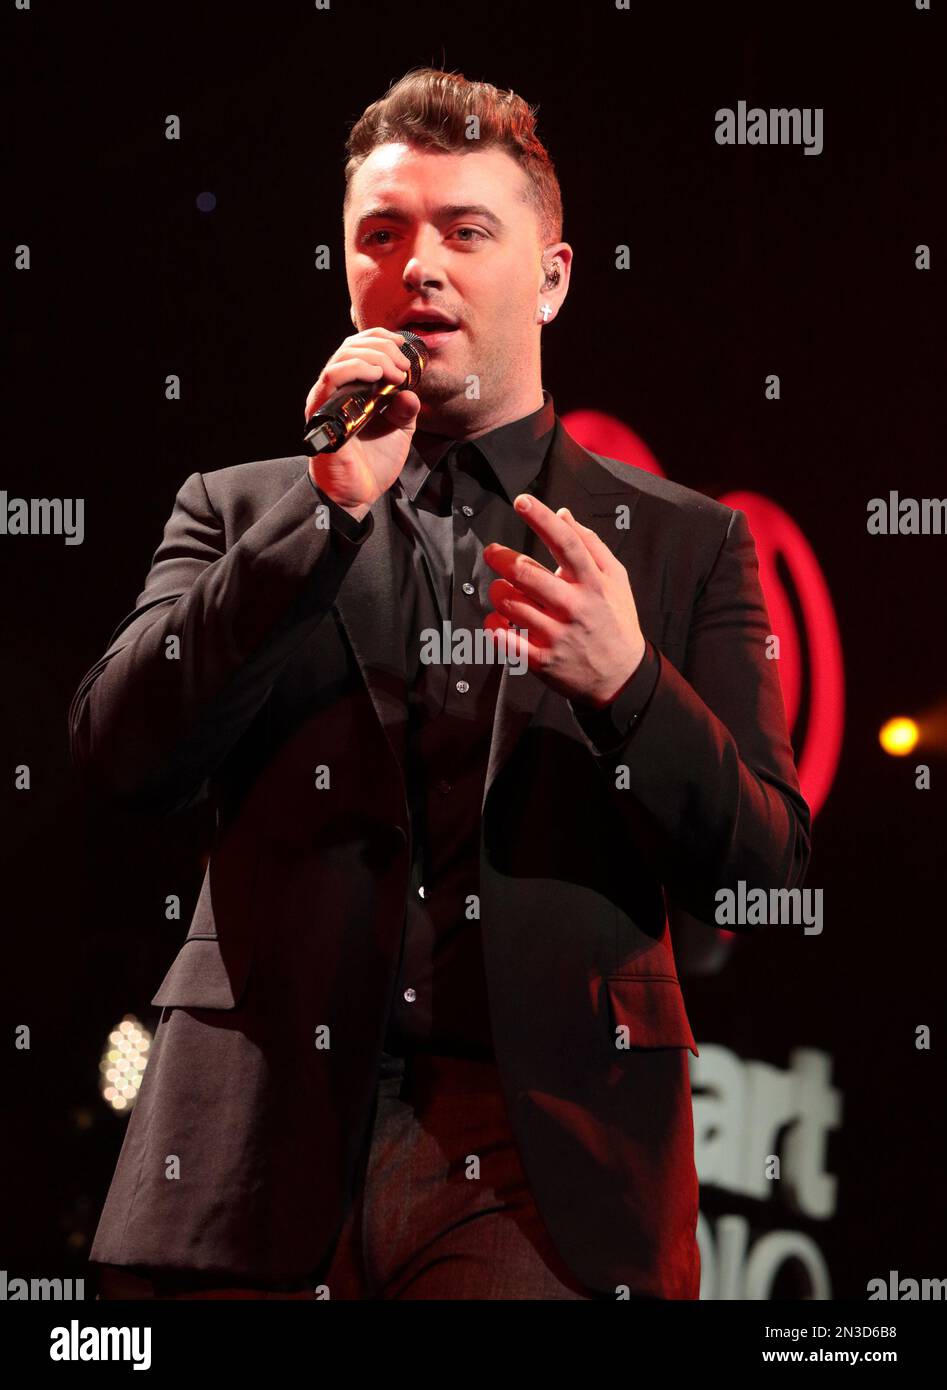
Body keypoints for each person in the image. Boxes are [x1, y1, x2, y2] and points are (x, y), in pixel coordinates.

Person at [70, 67, 811, 1301]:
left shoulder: (685, 545)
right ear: (347, 271)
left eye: (467, 230)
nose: (420, 263)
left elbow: (766, 870)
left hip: (545, 1162)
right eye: (383, 232)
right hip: (250, 1140)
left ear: (554, 276)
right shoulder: (242, 508)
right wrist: (318, 514)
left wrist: (629, 683)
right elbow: (118, 754)